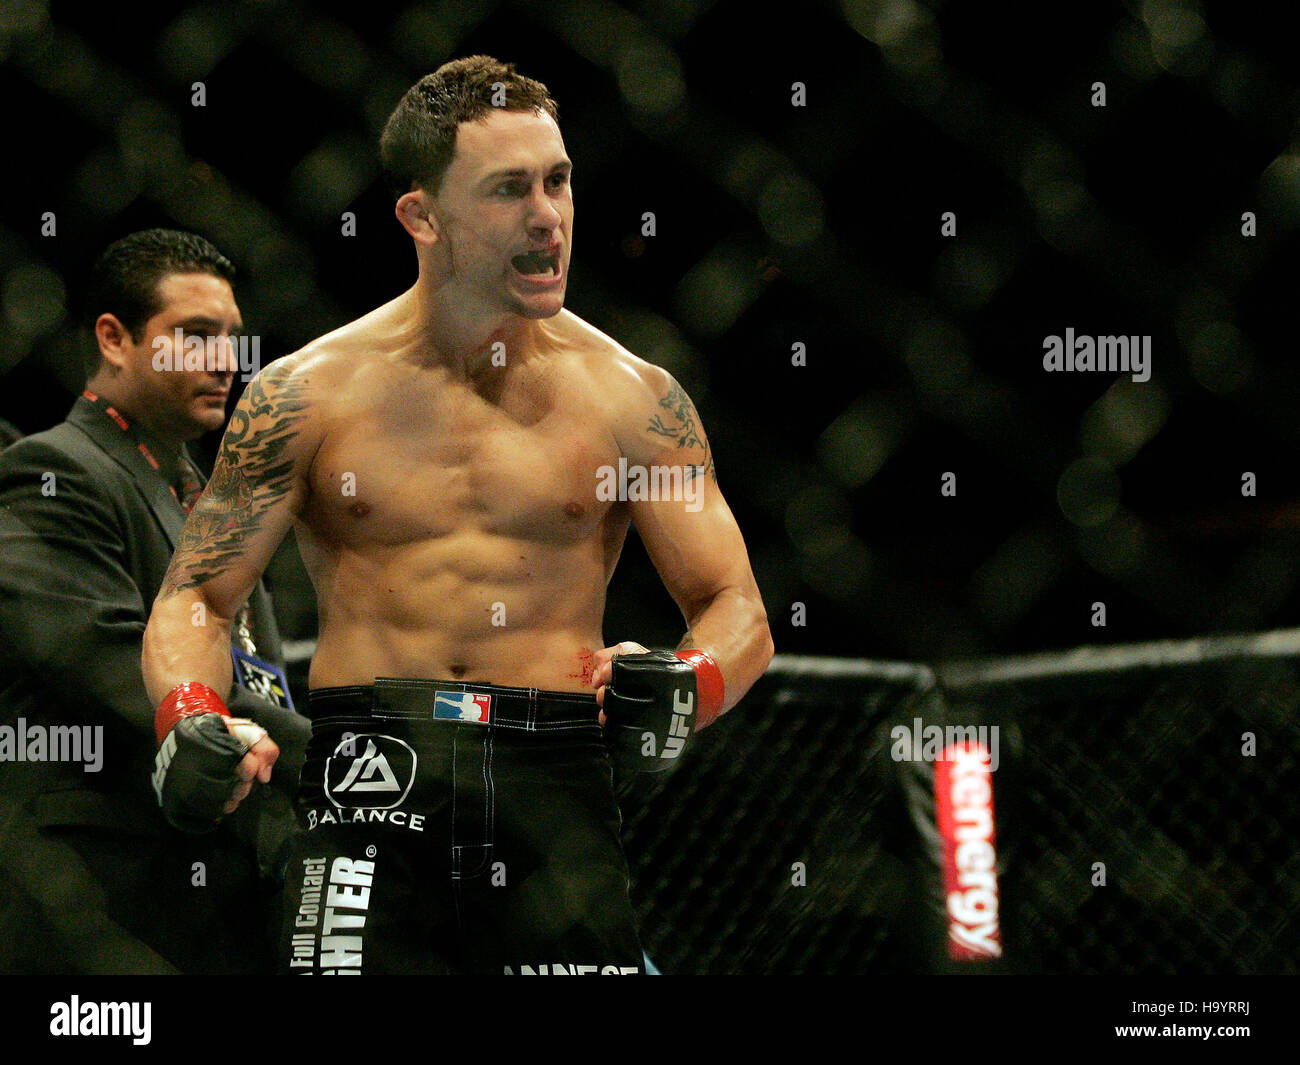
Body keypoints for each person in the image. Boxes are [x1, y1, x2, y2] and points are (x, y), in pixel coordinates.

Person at [142, 56, 773, 975]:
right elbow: (197, 596)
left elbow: (738, 606)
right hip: (371, 772)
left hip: (551, 774)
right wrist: (190, 711)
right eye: (509, 189)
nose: (548, 216)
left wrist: (688, 681)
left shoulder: (635, 400)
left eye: (558, 181)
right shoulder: (306, 397)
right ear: (421, 216)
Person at [0, 229, 308, 973]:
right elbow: (112, 657)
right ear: (114, 338)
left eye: (233, 338)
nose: (225, 361)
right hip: (106, 884)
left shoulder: (208, 498)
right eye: (195, 335)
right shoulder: (53, 471)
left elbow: (259, 674)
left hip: (222, 884)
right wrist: (344, 750)